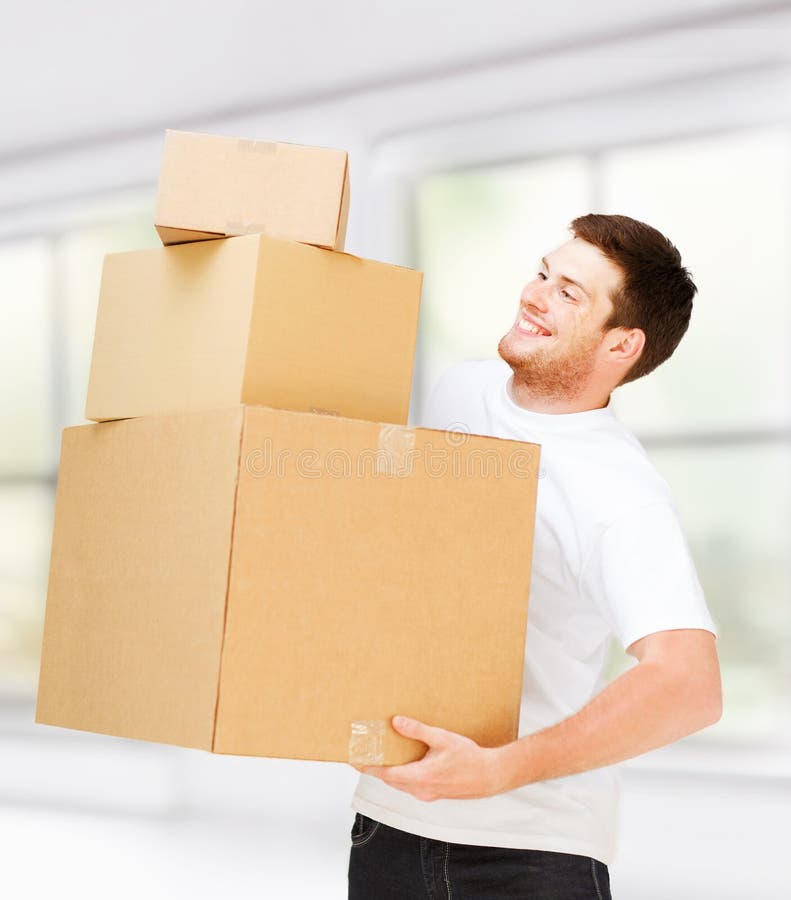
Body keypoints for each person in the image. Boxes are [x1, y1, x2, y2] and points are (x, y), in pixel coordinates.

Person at [347, 214, 722, 899]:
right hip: (387, 817)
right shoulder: (457, 391)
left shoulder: (618, 492)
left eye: (569, 293)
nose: (534, 293)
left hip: (525, 851)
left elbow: (688, 685)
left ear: (622, 345)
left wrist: (500, 770)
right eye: (543, 273)